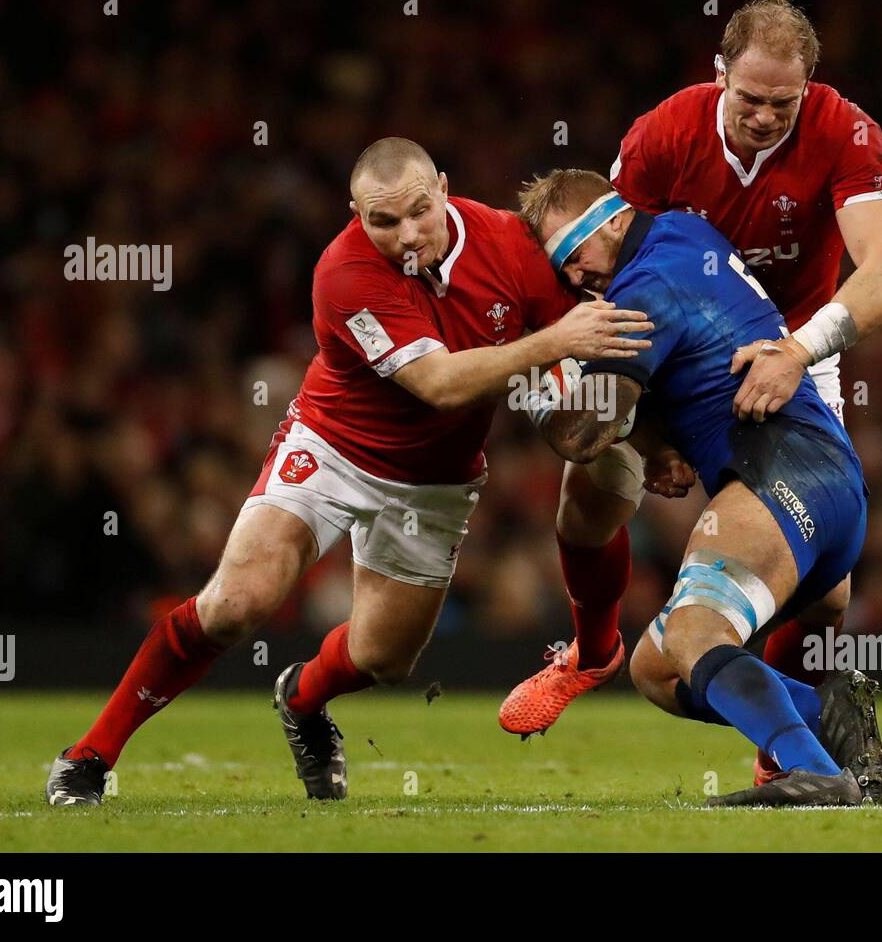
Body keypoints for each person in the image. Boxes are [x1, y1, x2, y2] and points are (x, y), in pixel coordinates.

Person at [45, 138, 653, 805]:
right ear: (356, 214)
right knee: (237, 603)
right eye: (382, 221)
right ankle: (88, 756)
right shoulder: (344, 272)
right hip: (333, 448)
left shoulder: (511, 248)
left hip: (436, 480)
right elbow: (439, 384)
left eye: (418, 212)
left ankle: (301, 701)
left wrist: (650, 436)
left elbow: (590, 356)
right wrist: (554, 343)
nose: (405, 234)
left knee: (383, 659)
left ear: (444, 189)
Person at [499, 0, 882, 794]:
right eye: (747, 98)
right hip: (676, 360)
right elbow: (607, 277)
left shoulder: (845, 131)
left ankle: (798, 757)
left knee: (802, 606)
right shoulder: (663, 137)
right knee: (595, 517)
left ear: (810, 87)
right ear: (718, 73)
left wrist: (798, 350)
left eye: (781, 103)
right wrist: (653, 441)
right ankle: (593, 652)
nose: (762, 117)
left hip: (793, 347)